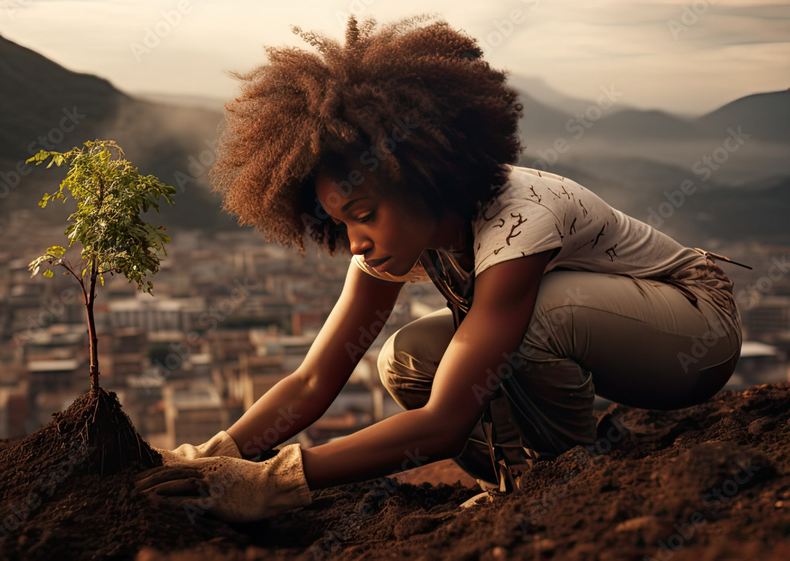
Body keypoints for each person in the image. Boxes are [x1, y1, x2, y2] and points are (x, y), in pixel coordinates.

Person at [135, 14, 746, 523]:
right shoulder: (396, 239)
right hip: (607, 330)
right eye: (341, 223)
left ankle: (568, 480)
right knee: (407, 358)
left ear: (423, 179)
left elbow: (445, 424)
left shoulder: (517, 221)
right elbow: (314, 380)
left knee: (536, 318)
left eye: (365, 214)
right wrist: (215, 454)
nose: (355, 242)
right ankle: (522, 484)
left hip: (695, 329)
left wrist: (272, 482)